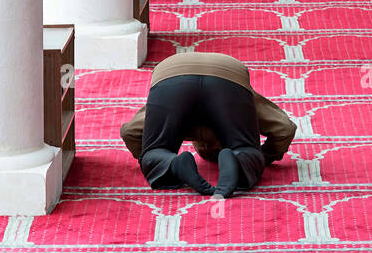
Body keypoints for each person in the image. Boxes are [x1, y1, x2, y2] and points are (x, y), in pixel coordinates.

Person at [119, 51, 297, 199]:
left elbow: (129, 132)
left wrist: (151, 159)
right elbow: (285, 129)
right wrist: (260, 158)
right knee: (246, 149)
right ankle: (239, 159)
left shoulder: (175, 116)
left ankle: (172, 163)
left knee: (156, 152)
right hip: (226, 78)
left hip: (172, 75)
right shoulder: (242, 108)